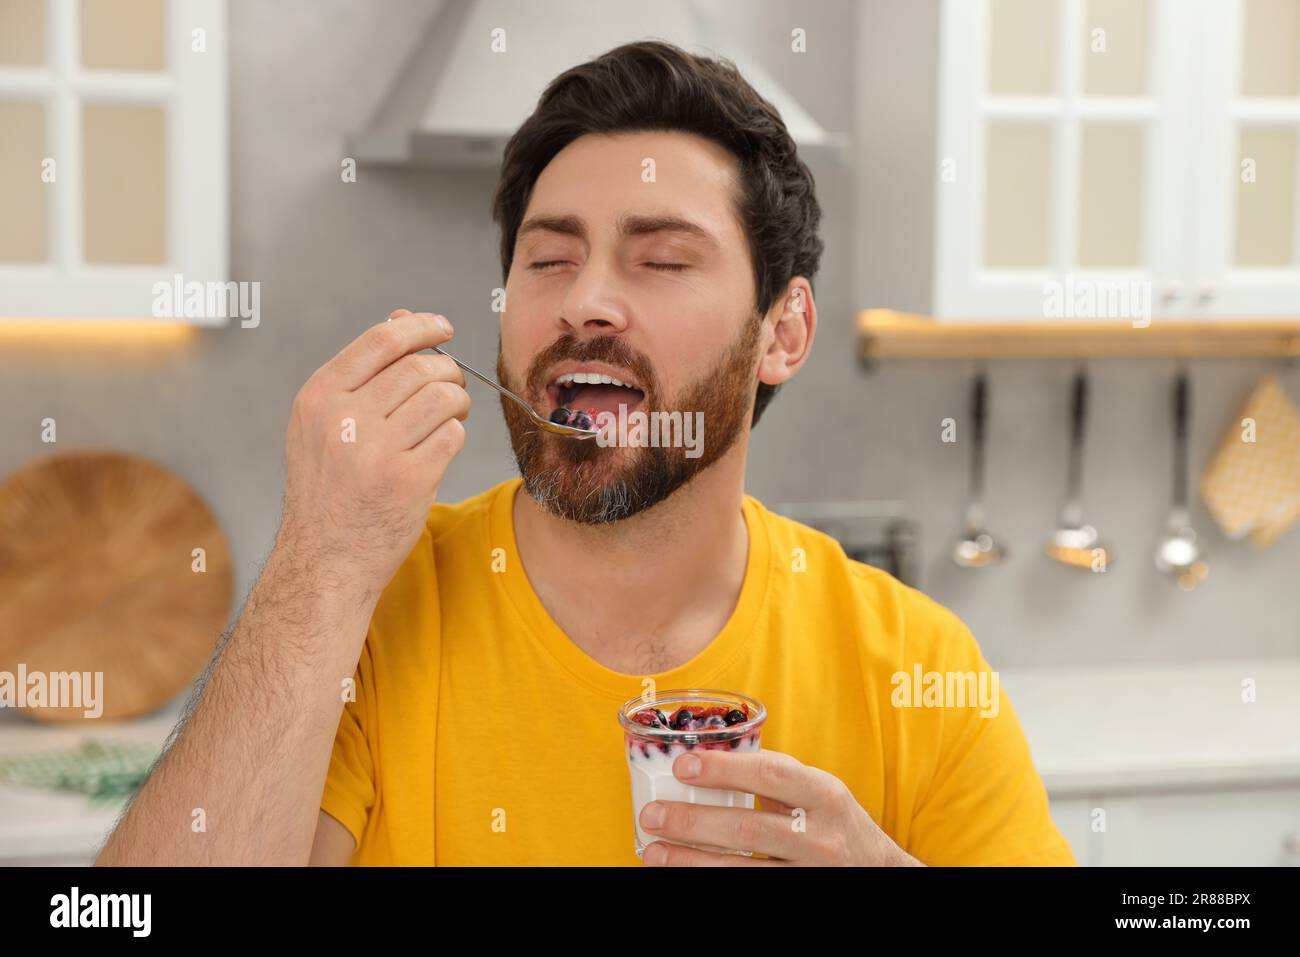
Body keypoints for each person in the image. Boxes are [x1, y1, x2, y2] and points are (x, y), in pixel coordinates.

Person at [97, 40, 1074, 867]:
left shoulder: (913, 664)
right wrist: (318, 558)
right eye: (549, 258)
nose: (583, 301)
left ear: (783, 331)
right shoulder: (364, 619)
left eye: (660, 259)